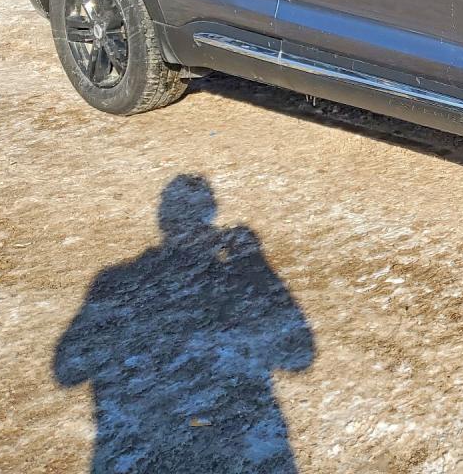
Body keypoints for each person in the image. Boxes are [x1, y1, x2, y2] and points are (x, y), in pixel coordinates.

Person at [54, 175, 314, 473]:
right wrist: (254, 263)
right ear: (211, 221)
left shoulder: (117, 282)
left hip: (148, 451)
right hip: (234, 448)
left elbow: (68, 369)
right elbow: (297, 354)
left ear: (163, 221)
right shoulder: (237, 283)